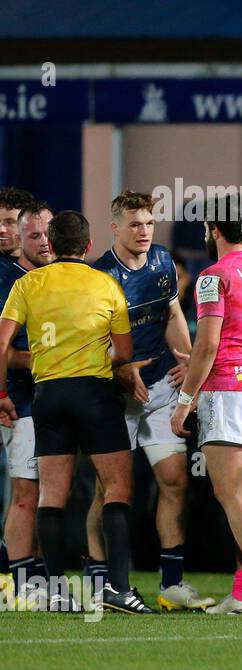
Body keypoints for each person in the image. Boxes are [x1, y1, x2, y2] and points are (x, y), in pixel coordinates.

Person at [0, 210, 154, 614]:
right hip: (94, 393)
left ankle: (52, 588)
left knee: (52, 494)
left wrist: (1, 393)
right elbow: (123, 353)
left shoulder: (28, 283)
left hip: (47, 395)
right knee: (118, 489)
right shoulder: (106, 284)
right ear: (88, 246)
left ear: (52, 243)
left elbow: (1, 344)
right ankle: (117, 588)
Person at [85, 190, 212, 611]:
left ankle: (171, 583)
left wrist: (187, 360)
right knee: (108, 490)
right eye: (135, 224)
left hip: (159, 391)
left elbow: (172, 313)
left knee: (175, 481)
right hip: (115, 398)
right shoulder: (99, 275)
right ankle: (99, 580)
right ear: (115, 228)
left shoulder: (161, 262)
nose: (143, 231)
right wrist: (121, 370)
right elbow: (89, 341)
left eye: (149, 224)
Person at [169, 196, 242, 616]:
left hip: (231, 390)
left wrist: (185, 400)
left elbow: (206, 345)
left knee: (231, 491)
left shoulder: (213, 276)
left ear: (214, 230)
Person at [1, 197, 49, 610]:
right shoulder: (10, 281)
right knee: (24, 491)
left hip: (46, 400)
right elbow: (4, 350)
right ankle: (20, 583)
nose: (44, 240)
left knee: (39, 490)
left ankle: (30, 577)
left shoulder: (57, 278)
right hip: (18, 401)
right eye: (34, 234)